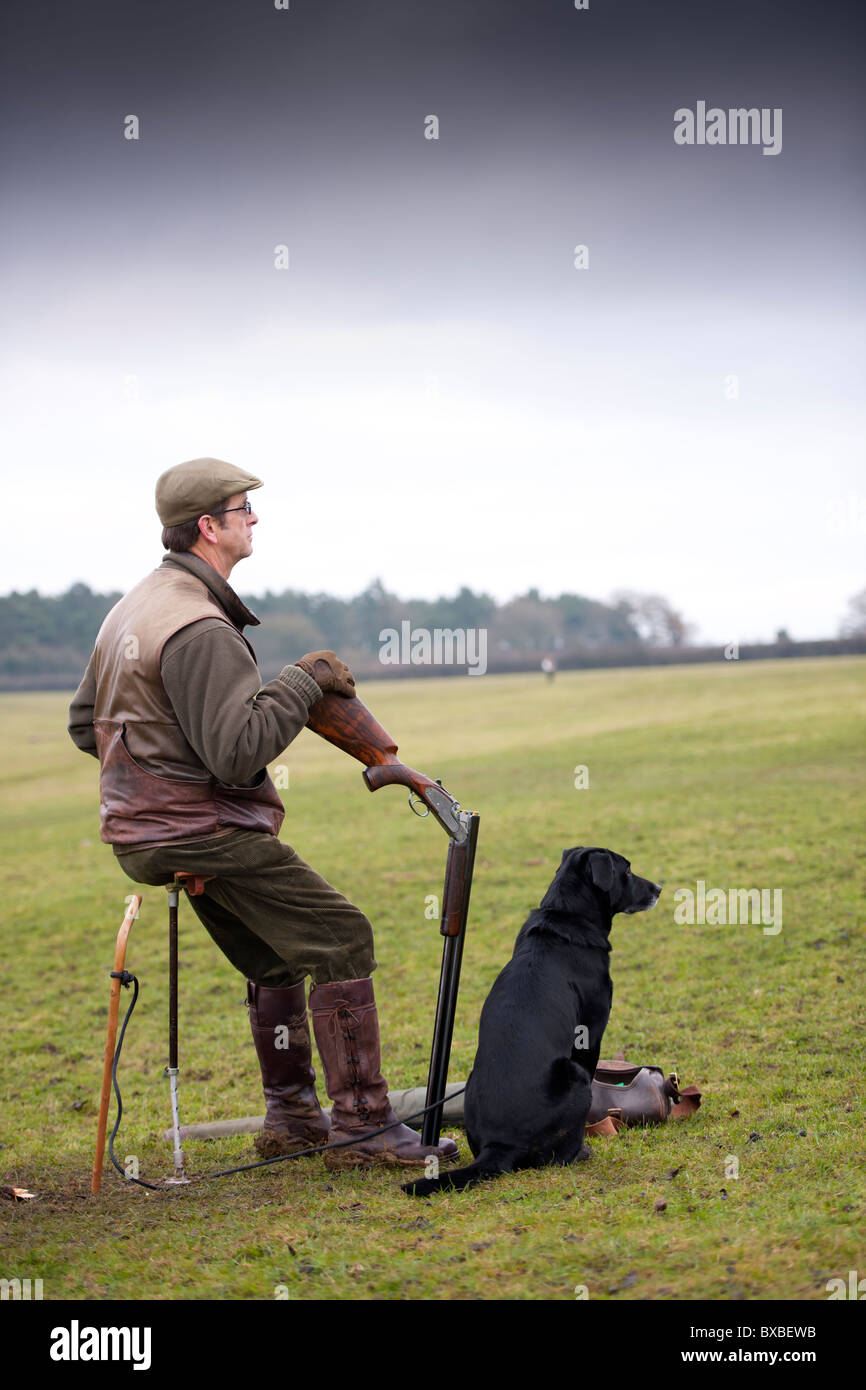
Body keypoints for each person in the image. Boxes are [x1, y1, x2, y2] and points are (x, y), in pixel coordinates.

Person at [68, 457, 457, 1171]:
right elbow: (237, 755)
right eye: (244, 508)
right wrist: (300, 683)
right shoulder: (200, 626)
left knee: (277, 955)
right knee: (342, 936)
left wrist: (154, 777)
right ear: (208, 527)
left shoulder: (131, 609)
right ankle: (365, 1128)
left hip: (139, 832)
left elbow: (83, 723)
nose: (255, 518)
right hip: (202, 829)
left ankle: (293, 1119)